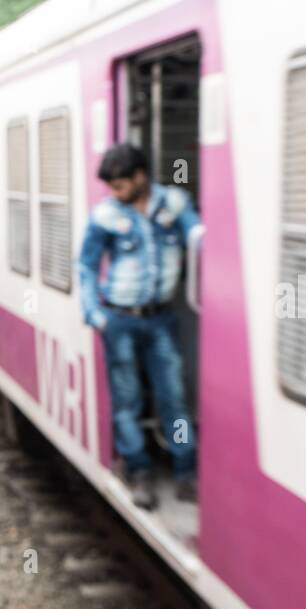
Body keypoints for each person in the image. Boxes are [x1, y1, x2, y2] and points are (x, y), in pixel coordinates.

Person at [77, 143, 199, 509]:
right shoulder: (104, 216)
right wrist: (93, 313)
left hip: (161, 317)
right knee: (127, 400)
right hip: (119, 320)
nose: (114, 192)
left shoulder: (174, 204)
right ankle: (139, 470)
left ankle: (185, 470)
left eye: (120, 184)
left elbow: (200, 239)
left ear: (140, 177)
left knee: (173, 397)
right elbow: (85, 265)